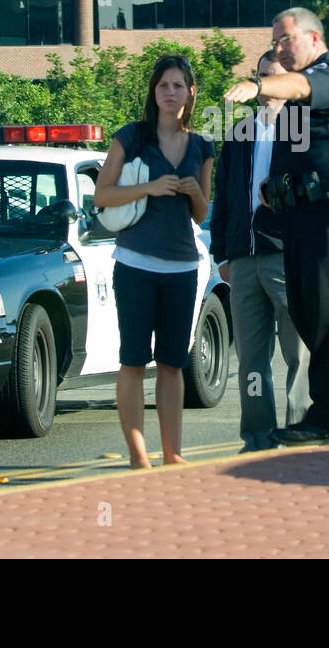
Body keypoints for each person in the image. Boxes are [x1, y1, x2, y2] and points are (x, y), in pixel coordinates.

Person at [223, 7, 329, 444]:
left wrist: (257, 83)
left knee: (328, 317)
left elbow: (297, 84)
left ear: (314, 38)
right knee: (313, 317)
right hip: (302, 219)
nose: (278, 48)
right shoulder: (290, 111)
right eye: (274, 42)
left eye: (285, 40)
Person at [95, 55, 213, 468]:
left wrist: (190, 192)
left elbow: (201, 213)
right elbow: (101, 196)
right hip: (135, 265)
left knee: (172, 364)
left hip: (183, 267)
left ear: (191, 92)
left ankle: (172, 454)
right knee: (132, 360)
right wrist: (149, 186)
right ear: (153, 91)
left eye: (178, 85)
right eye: (163, 85)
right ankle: (137, 455)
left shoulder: (202, 146)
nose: (170, 92)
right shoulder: (131, 137)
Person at [211, 51, 310, 452]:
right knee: (251, 361)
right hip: (242, 260)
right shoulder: (237, 135)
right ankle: (258, 438)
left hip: (288, 256)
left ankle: (302, 432)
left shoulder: (303, 130)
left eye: (276, 78)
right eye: (262, 77)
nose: (267, 87)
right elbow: (224, 200)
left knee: (299, 354)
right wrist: (222, 255)